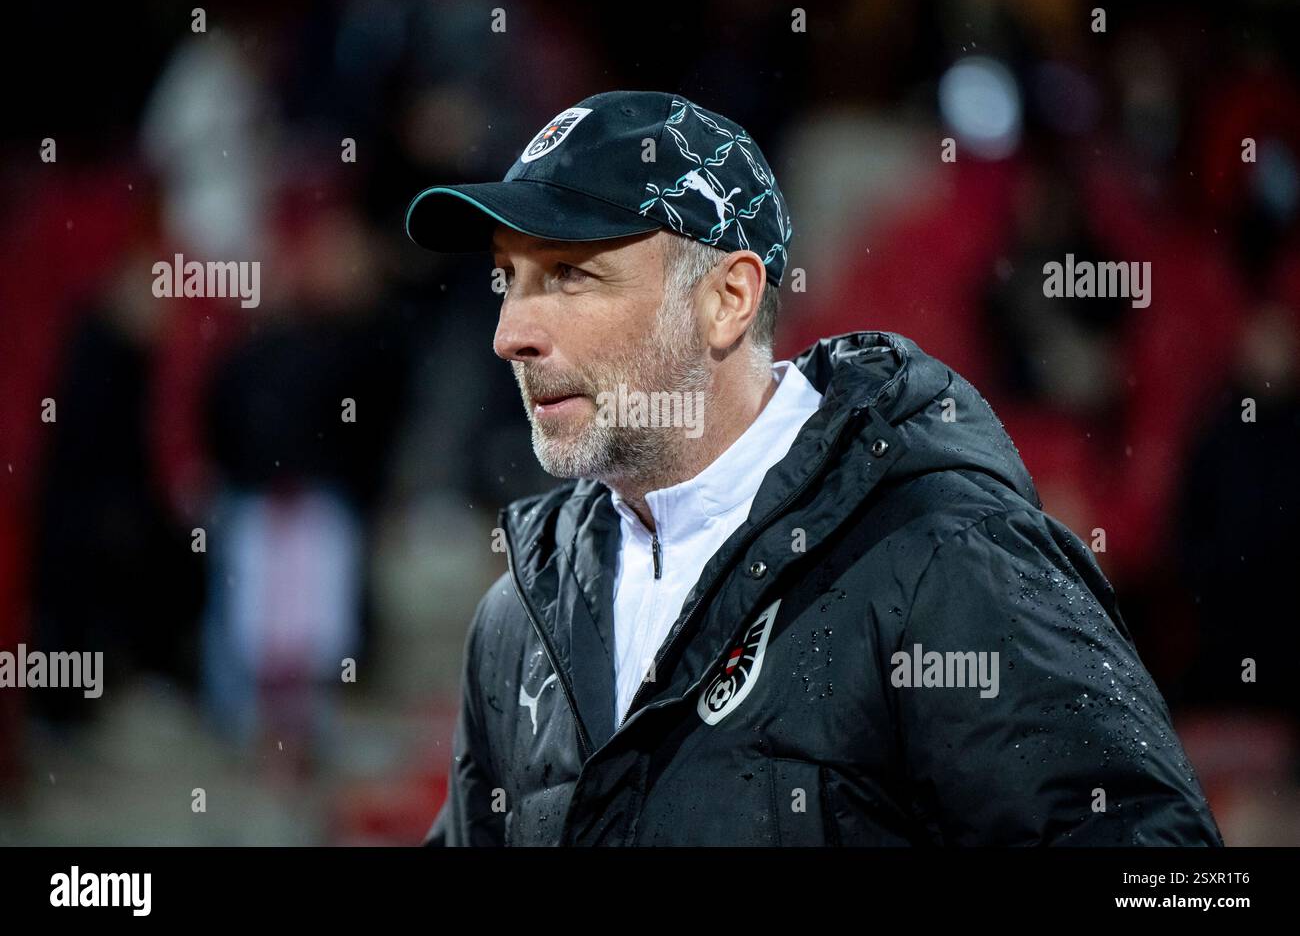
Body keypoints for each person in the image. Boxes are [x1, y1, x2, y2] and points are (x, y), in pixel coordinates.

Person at [404, 90, 1223, 845]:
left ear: (728, 300)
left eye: (569, 276)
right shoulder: (520, 617)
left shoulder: (944, 558)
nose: (510, 333)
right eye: (509, 281)